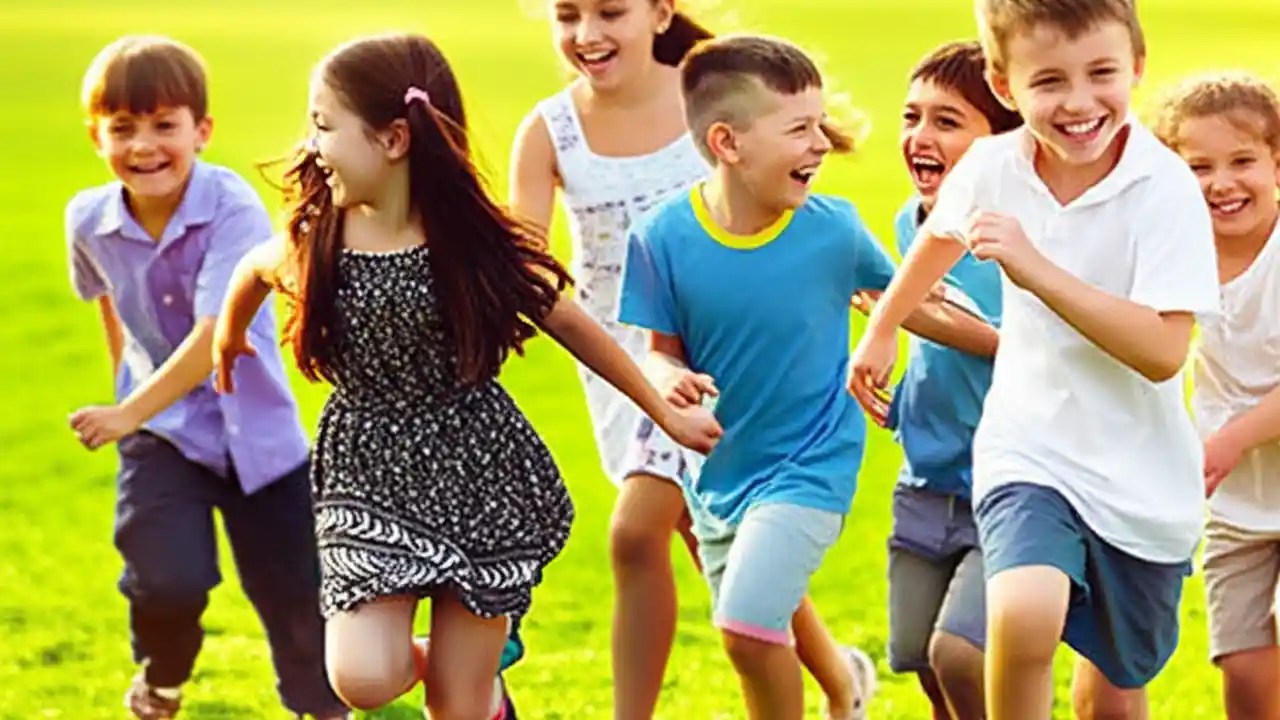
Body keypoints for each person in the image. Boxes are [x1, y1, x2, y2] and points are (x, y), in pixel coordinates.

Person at [212, 32, 721, 720]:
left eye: (325, 126)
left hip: (479, 467)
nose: (310, 145)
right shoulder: (317, 241)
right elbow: (251, 271)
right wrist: (229, 336)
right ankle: (474, 674)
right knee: (362, 677)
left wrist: (662, 411)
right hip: (367, 467)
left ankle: (481, 685)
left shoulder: (470, 250)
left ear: (394, 139)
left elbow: (568, 322)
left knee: (457, 705)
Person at [848, 2, 1220, 718]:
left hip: (1138, 476)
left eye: (1101, 73)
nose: (1079, 103)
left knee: (1114, 690)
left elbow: (1163, 352)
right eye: (1049, 80)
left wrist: (1035, 268)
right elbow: (939, 238)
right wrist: (883, 329)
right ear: (1004, 83)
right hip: (1029, 450)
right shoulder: (993, 165)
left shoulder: (1165, 188)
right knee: (1019, 616)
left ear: (1137, 67)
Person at [509, 3, 874, 717]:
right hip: (619, 360)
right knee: (736, 545)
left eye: (610, 12)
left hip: (719, 363)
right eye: (567, 14)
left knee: (635, 531)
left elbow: (780, 207)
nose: (587, 34)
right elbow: (525, 254)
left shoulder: (706, 103)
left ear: (659, 12)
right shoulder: (549, 129)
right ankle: (840, 681)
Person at [619, 34, 996, 720]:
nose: (823, 143)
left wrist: (1007, 347)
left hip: (811, 465)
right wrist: (666, 379)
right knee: (756, 635)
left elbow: (911, 306)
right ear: (729, 143)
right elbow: (658, 348)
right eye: (800, 129)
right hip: (719, 475)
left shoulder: (836, 230)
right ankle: (841, 695)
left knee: (747, 624)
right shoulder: (661, 237)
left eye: (820, 123)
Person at [64, 35, 346, 720]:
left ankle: (322, 708)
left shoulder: (233, 207)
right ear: (95, 135)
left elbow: (211, 335)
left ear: (202, 130)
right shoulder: (88, 221)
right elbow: (108, 303)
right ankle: (161, 680)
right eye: (123, 128)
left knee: (296, 598)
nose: (144, 145)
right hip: (163, 437)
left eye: (165, 125)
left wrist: (126, 411)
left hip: (261, 437)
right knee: (165, 579)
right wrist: (128, 395)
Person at [872, 39, 1018, 720]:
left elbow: (1015, 349)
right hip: (925, 480)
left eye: (947, 121)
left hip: (1009, 485)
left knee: (960, 653)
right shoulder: (913, 222)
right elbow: (933, 352)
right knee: (920, 660)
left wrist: (915, 318)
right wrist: (901, 401)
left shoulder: (1013, 241)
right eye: (911, 117)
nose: (919, 137)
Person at [1155, 72, 1280, 720]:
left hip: (1232, 457)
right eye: (1198, 167)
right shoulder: (1177, 256)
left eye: (1242, 162)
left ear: (1277, 163)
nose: (1221, 183)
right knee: (1243, 665)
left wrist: (1230, 438)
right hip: (1233, 504)